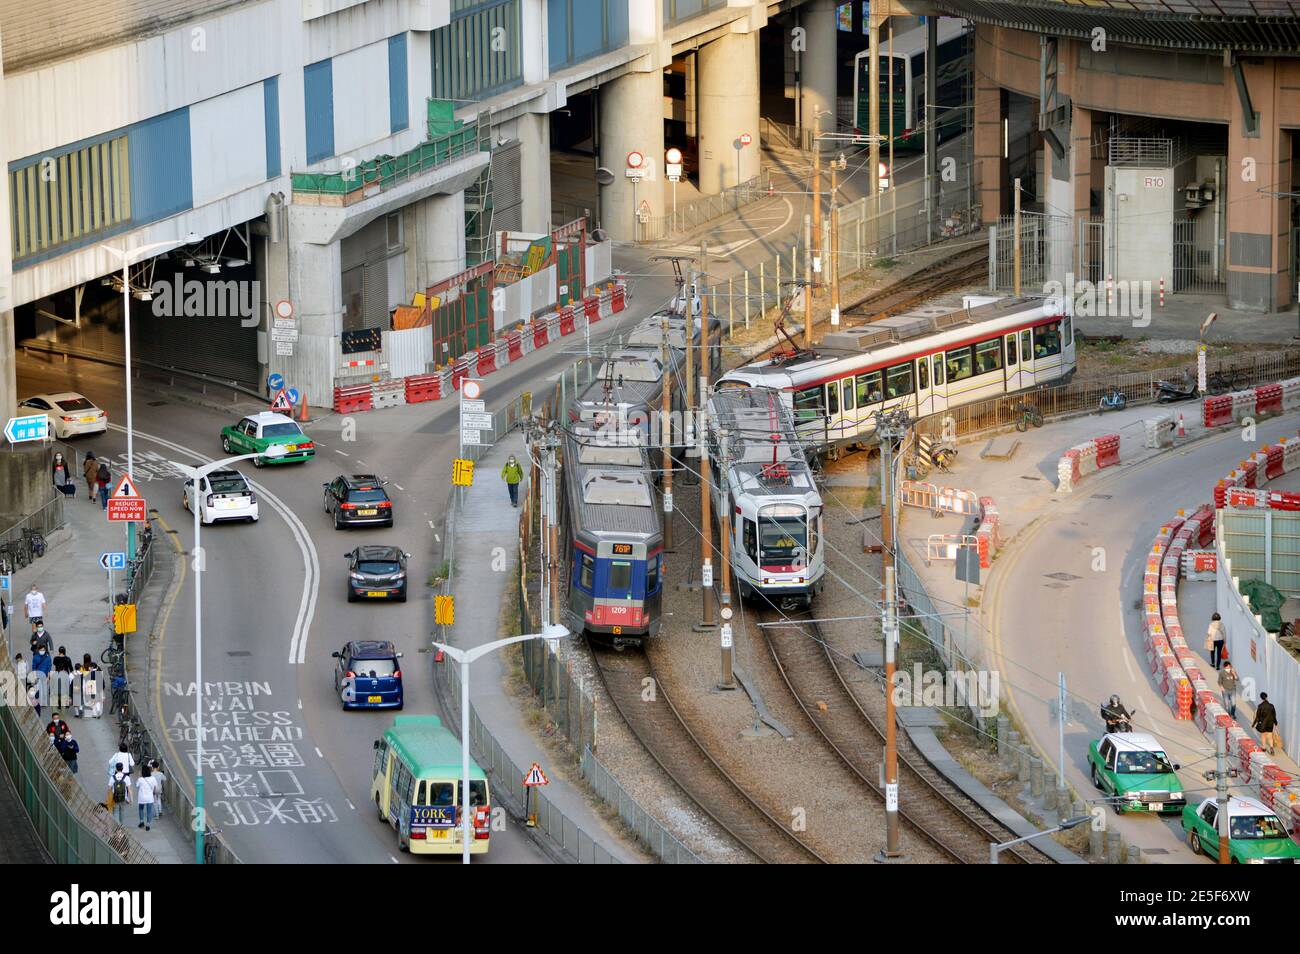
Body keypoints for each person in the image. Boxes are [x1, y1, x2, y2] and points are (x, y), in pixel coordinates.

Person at [136, 764, 156, 831]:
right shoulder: (153, 778)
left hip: (142, 797)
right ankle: (148, 825)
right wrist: (153, 792)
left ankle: (141, 822)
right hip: (150, 797)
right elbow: (155, 787)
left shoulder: (140, 779)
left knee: (141, 809)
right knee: (149, 811)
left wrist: (139, 776)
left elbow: (137, 785)